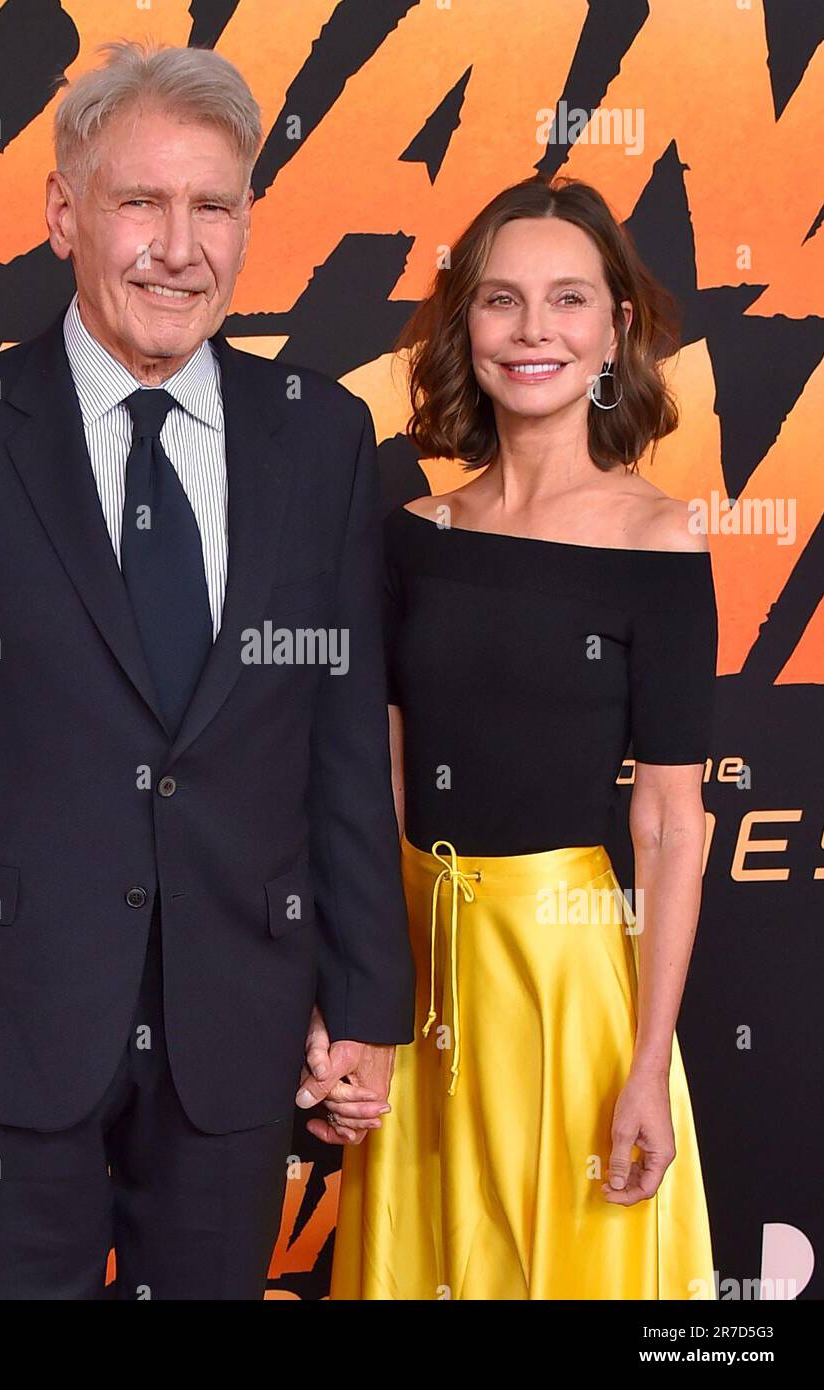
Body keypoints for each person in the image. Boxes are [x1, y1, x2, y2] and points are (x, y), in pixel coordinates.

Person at [0, 39, 415, 1300]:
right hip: (4, 1026)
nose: (179, 245)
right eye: (139, 202)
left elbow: (338, 743)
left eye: (213, 206)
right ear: (63, 215)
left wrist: (368, 998)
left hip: (241, 1031)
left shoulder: (322, 439)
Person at [327, 175, 718, 1300]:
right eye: (500, 300)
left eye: (566, 299)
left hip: (566, 975)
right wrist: (361, 999)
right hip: (417, 970)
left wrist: (645, 1065)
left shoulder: (659, 542)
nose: (532, 330)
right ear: (463, 326)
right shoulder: (410, 535)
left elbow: (668, 821)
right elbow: (382, 782)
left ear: (614, 329)